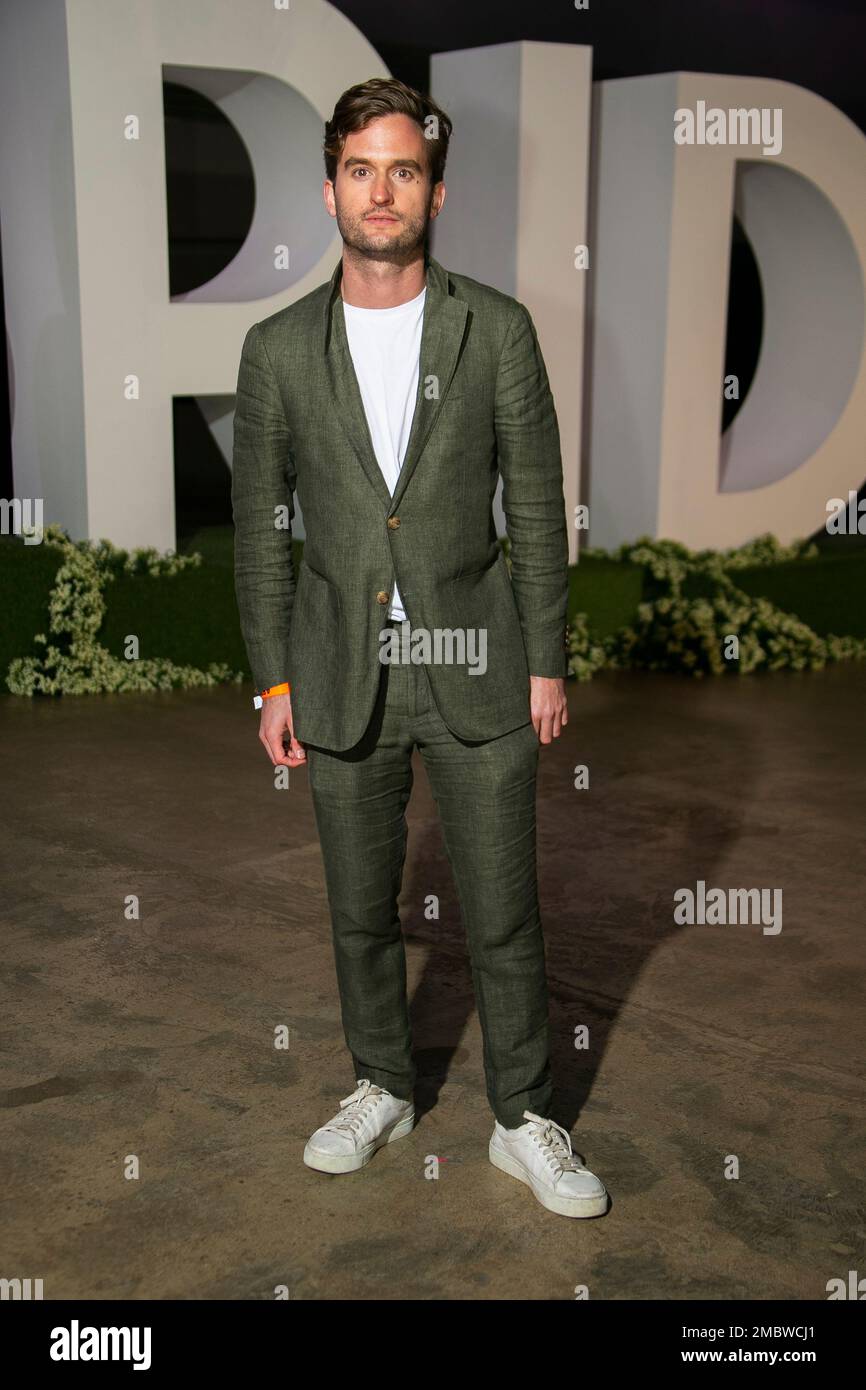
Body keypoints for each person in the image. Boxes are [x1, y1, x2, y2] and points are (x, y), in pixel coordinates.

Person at [231, 77, 608, 1219]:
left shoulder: (493, 329)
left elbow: (536, 509)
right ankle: (380, 1083)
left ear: (434, 190)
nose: (380, 191)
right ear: (331, 188)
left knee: (501, 907)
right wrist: (272, 678)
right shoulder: (278, 348)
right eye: (360, 169)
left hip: (479, 663)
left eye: (402, 170)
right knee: (357, 908)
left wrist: (545, 658)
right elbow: (260, 531)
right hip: (339, 664)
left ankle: (523, 1116)